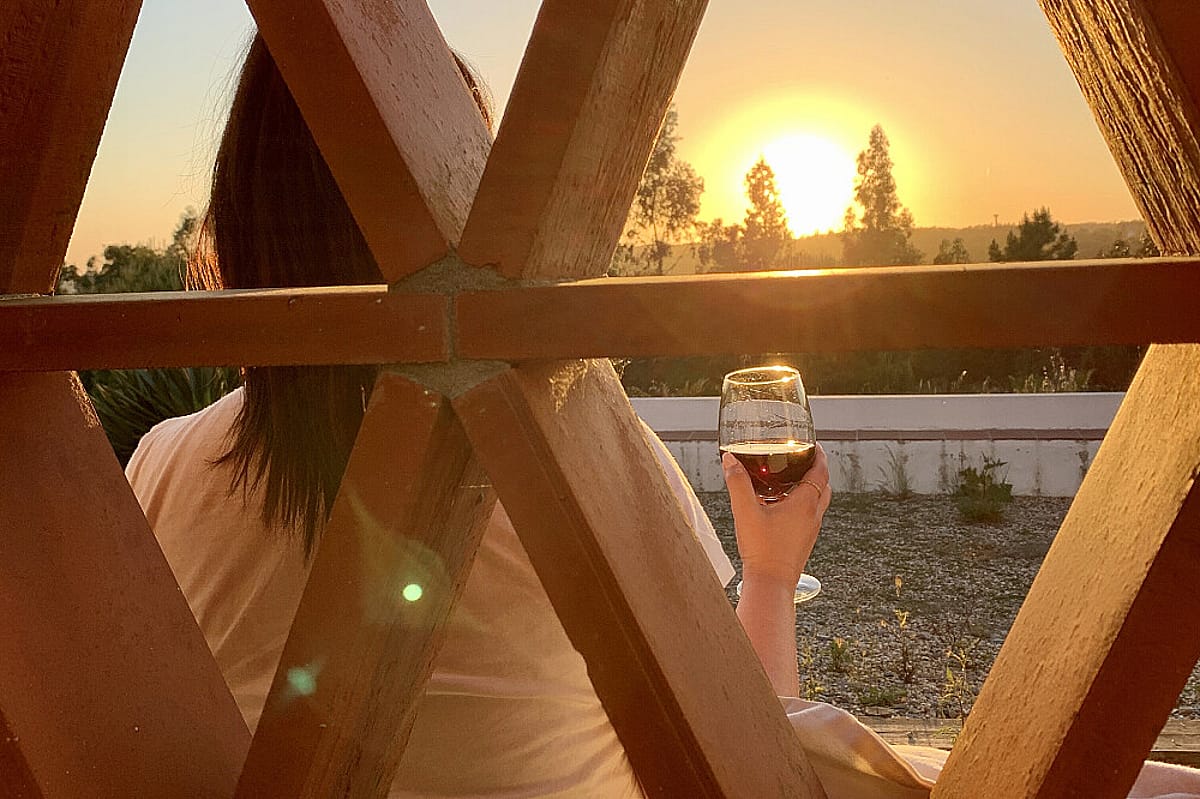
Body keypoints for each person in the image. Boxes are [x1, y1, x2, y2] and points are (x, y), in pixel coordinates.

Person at [124, 30, 1200, 799]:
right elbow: (742, 753)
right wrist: (770, 572)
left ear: (245, 230)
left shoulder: (164, 471)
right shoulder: (561, 450)